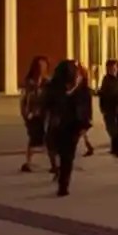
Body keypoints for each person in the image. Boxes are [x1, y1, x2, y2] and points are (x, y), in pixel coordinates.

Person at [44, 60, 90, 197]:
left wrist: (85, 124)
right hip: (58, 124)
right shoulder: (55, 87)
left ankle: (63, 184)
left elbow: (86, 108)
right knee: (58, 151)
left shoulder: (81, 89)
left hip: (73, 125)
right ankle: (60, 175)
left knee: (67, 156)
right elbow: (47, 104)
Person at [19, 55, 53, 173]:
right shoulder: (29, 82)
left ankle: (54, 163)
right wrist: (25, 113)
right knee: (33, 138)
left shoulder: (48, 82)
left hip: (45, 114)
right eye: (39, 66)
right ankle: (28, 162)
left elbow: (51, 98)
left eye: (44, 66)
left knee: (49, 138)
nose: (41, 69)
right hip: (33, 115)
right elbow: (24, 99)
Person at [98, 60, 118, 157]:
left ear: (117, 68)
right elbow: (103, 93)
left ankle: (117, 148)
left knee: (116, 128)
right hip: (108, 107)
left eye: (113, 68)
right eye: (109, 68)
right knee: (110, 128)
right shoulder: (106, 79)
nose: (111, 70)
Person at [75, 64, 96, 157]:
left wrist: (89, 116)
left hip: (82, 115)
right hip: (78, 115)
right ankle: (89, 147)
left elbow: (88, 104)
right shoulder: (76, 88)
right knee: (81, 133)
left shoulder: (84, 90)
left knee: (78, 133)